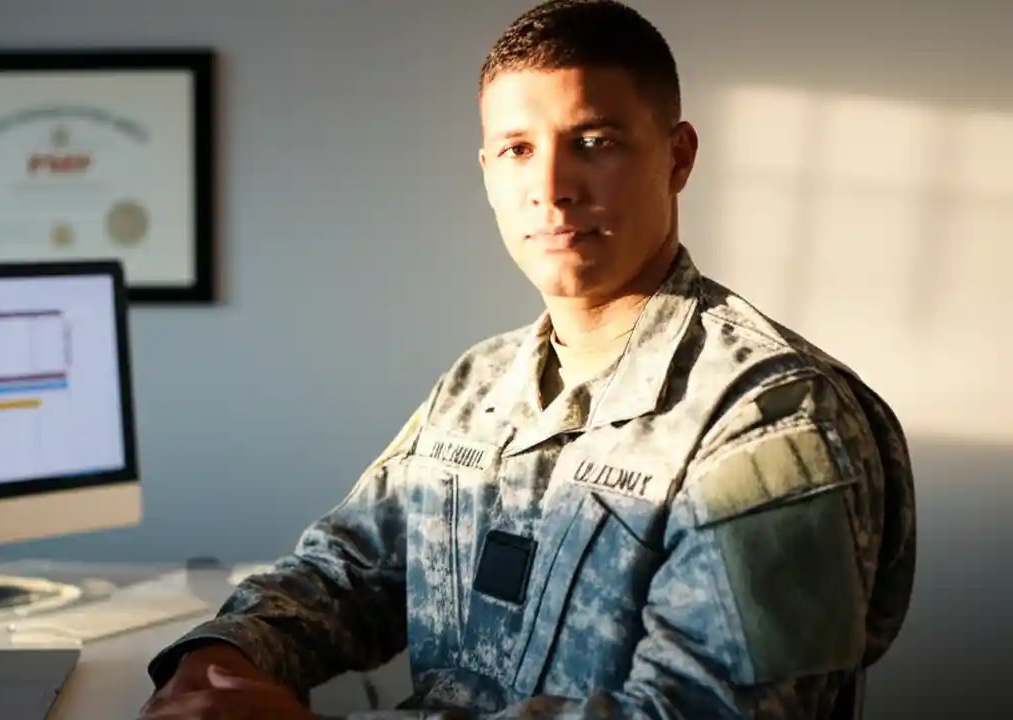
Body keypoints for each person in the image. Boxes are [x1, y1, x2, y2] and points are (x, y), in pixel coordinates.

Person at [138, 0, 917, 717]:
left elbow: (706, 710)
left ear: (677, 157)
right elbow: (352, 570)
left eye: (594, 143)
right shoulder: (481, 384)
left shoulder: (774, 417)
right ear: (488, 175)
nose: (551, 187)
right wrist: (220, 653)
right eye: (516, 149)